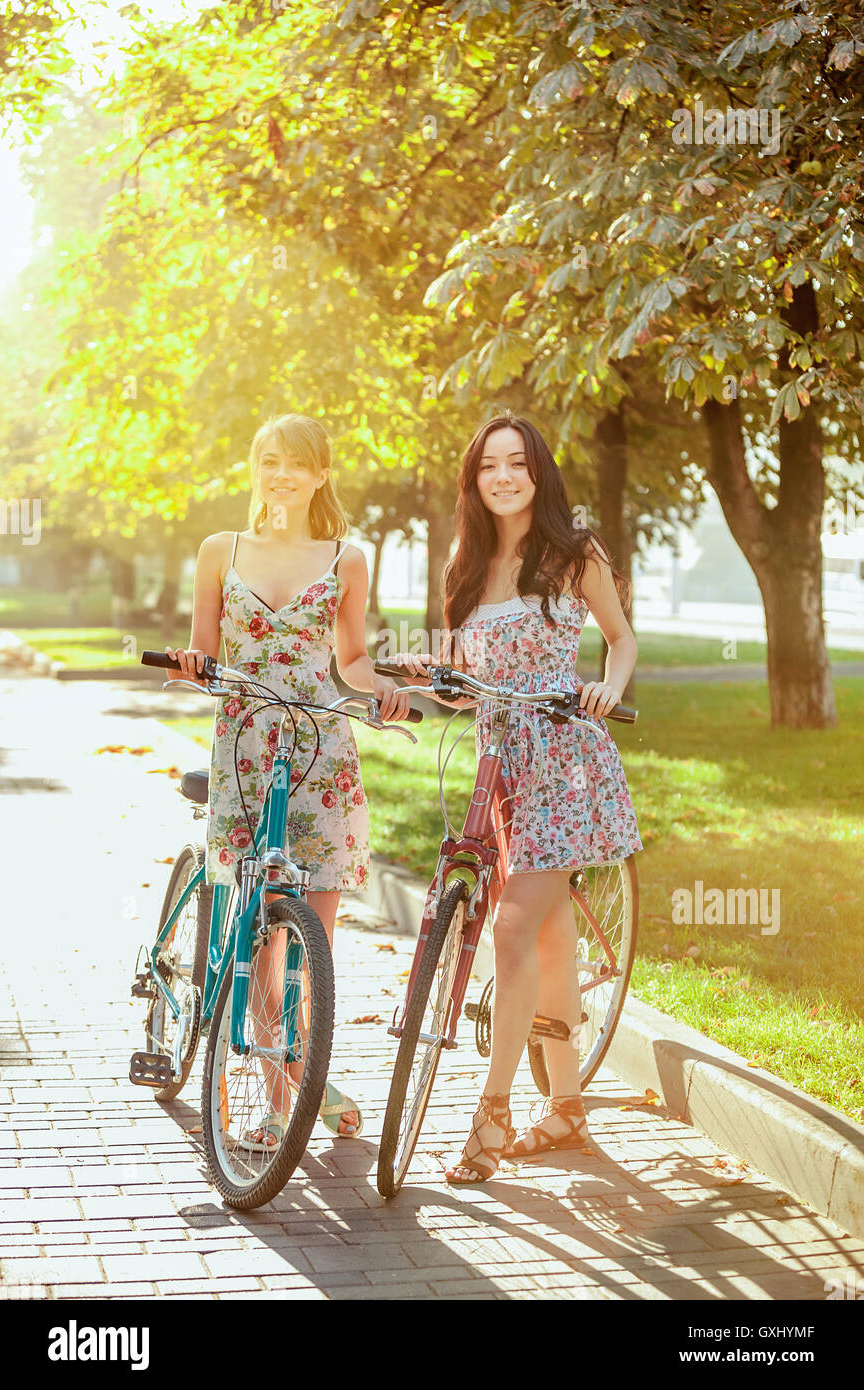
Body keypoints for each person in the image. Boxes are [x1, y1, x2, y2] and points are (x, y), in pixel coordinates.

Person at [393, 412, 642, 1183]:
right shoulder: (464, 564)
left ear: (539, 474)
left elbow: (621, 637)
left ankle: (492, 1113)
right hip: (498, 762)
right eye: (489, 466)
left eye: (518, 464)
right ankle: (566, 1109)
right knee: (549, 938)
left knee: (510, 931)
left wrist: (608, 683)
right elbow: (470, 690)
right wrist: (431, 677)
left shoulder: (574, 553)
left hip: (565, 757)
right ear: (474, 479)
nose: (503, 477)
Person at [166, 412, 410, 1147]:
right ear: (255, 468)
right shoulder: (220, 550)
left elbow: (353, 660)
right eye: (267, 460)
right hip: (243, 743)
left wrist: (383, 690)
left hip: (318, 750)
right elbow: (204, 650)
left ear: (320, 474)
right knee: (262, 935)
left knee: (310, 943)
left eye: (295, 463)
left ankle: (298, 1082)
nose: (279, 474)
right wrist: (190, 665)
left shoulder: (346, 557)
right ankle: (285, 1097)